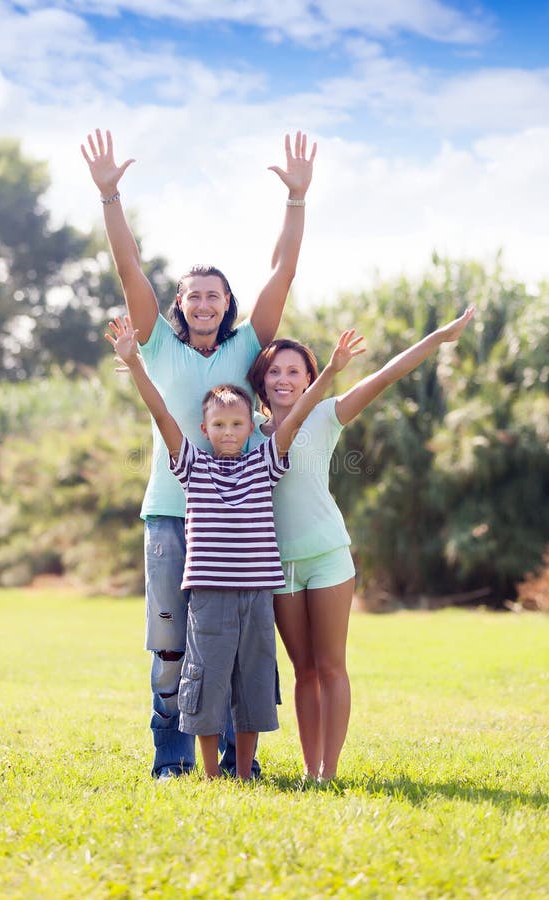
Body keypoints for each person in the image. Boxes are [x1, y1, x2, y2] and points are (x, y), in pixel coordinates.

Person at [81, 128, 317, 777]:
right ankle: (172, 759)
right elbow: (129, 267)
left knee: (240, 645)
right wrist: (110, 197)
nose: (206, 302)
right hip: (169, 514)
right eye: (194, 294)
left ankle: (244, 758)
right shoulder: (157, 345)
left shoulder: (247, 350)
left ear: (227, 304)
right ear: (180, 305)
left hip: (237, 526)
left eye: (216, 294)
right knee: (169, 645)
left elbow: (284, 272)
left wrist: (296, 201)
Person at [106, 316, 364, 778]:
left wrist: (330, 372)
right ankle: (209, 774)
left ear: (253, 427)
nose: (228, 431)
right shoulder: (191, 466)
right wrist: (135, 364)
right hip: (208, 598)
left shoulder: (265, 464)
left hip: (258, 598)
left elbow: (301, 414)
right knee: (206, 683)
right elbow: (162, 413)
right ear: (204, 429)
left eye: (237, 424)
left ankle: (244, 771)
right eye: (219, 424)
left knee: (254, 684)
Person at [247, 306, 476, 782]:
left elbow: (387, 375)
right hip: (278, 565)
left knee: (331, 667)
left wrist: (436, 337)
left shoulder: (327, 414)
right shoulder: (245, 430)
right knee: (302, 671)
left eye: (295, 371)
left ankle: (329, 773)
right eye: (275, 371)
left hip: (329, 557)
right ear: (262, 380)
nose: (284, 379)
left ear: (312, 378)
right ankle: (311, 771)